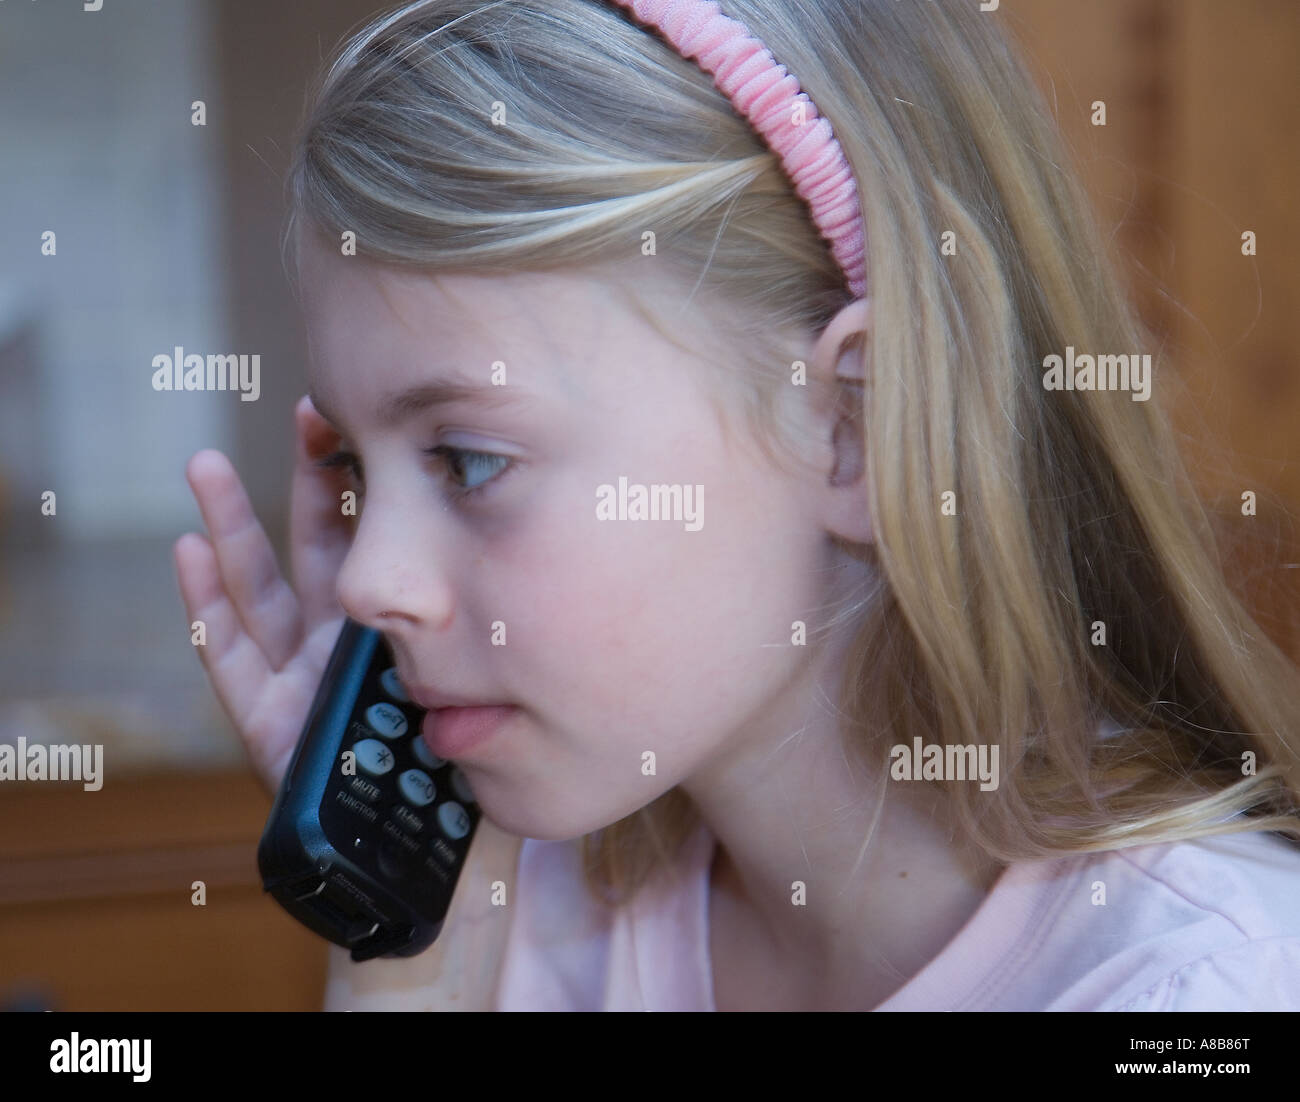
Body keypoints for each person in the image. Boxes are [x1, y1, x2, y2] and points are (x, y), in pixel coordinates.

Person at [173, 0, 1300, 1011]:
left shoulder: (1205, 986)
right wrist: (410, 935)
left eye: (467, 461)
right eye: (360, 478)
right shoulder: (526, 898)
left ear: (856, 428)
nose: (370, 580)